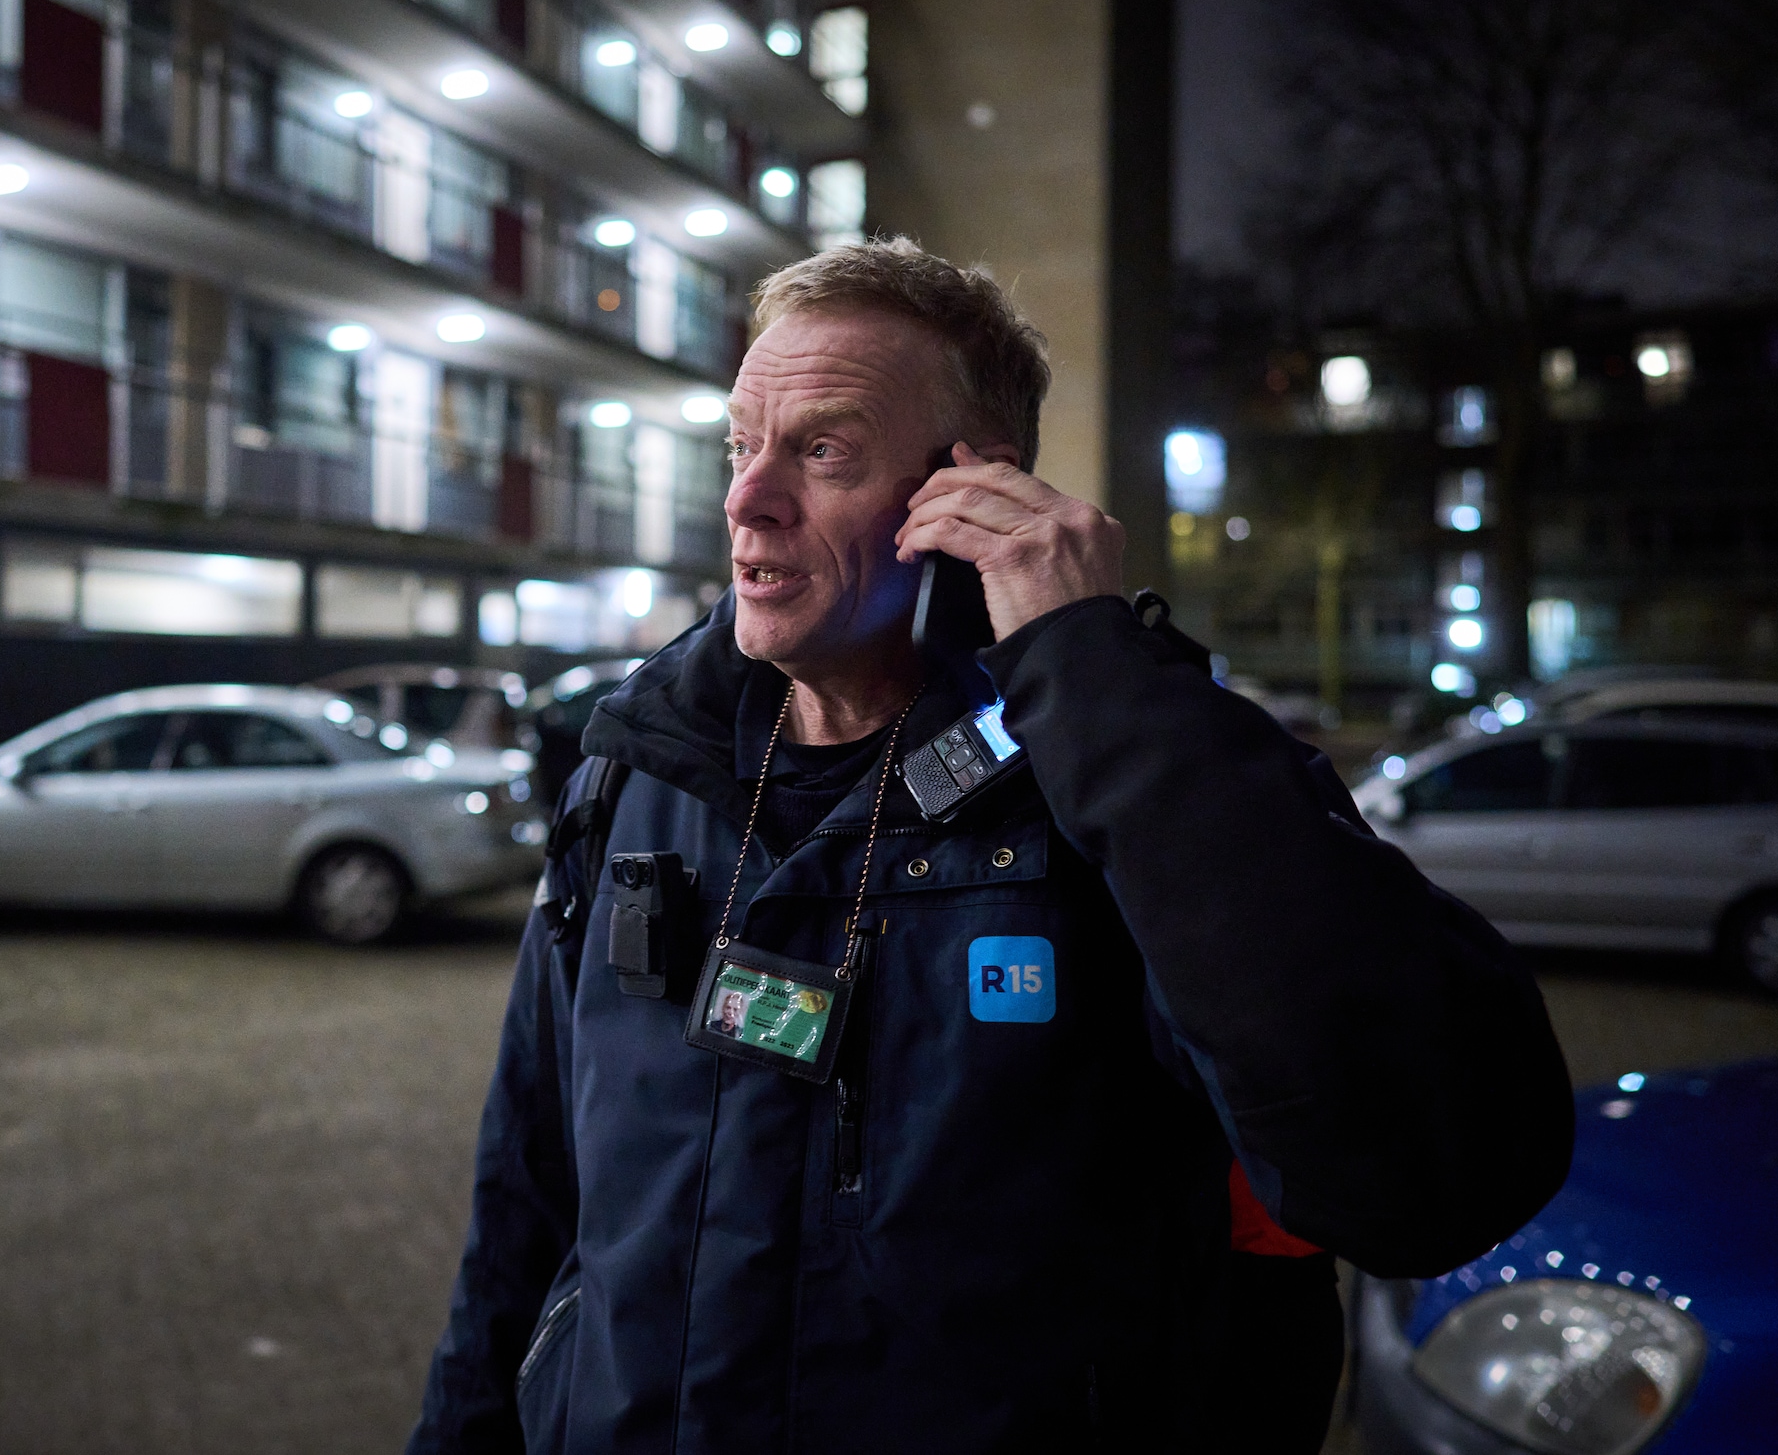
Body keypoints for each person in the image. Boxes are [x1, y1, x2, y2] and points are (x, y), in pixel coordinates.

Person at [406, 239, 1573, 1454]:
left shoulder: (1125, 781)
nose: (748, 498)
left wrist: (1088, 669)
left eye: (821, 451)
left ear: (968, 493)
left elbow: (1425, 1175)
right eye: (738, 447)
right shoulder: (633, 770)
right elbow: (524, 1204)